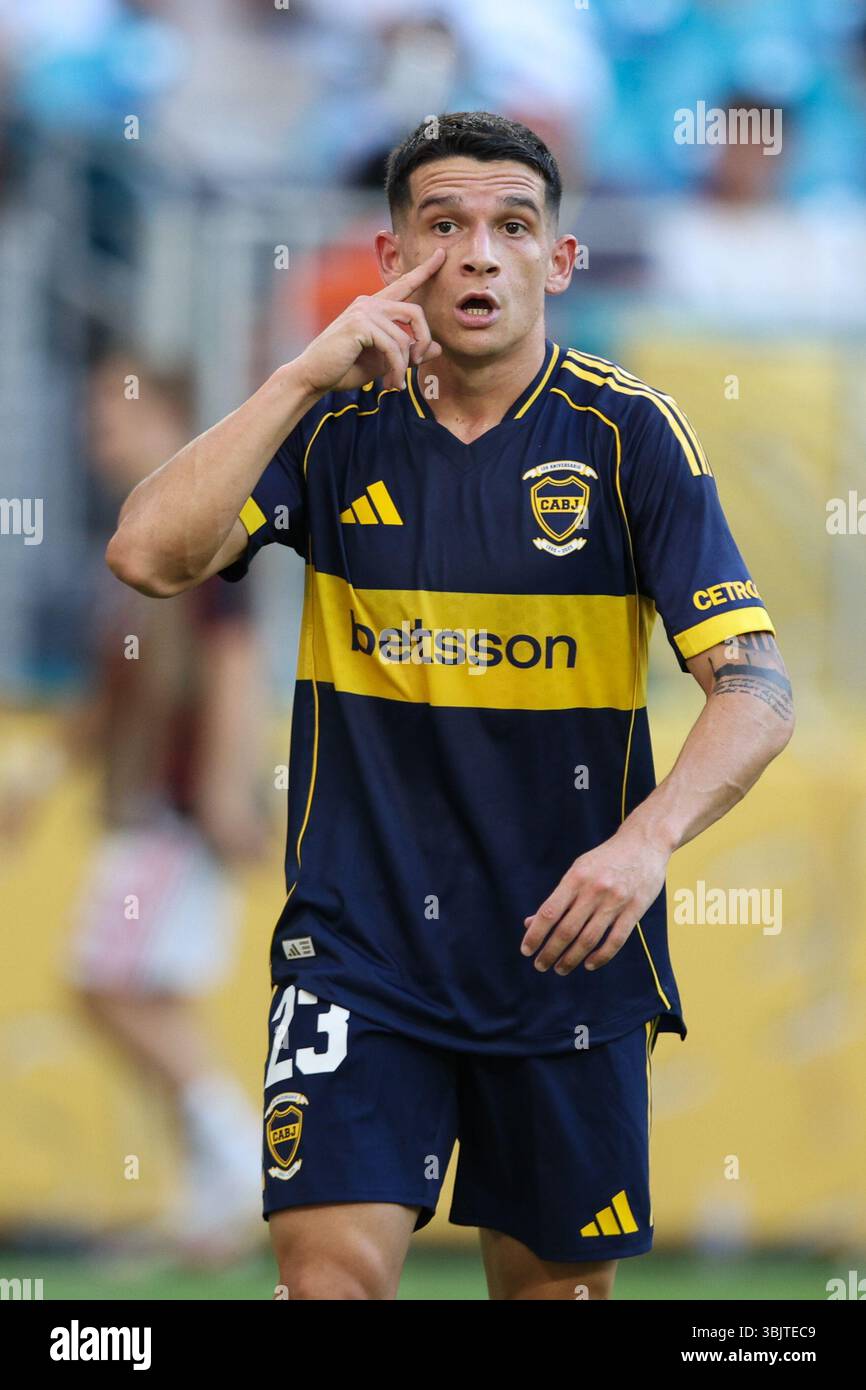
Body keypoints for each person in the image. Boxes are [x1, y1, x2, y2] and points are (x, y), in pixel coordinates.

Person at [105, 113, 795, 1300]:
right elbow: (146, 555)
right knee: (328, 1283)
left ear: (558, 261)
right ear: (393, 260)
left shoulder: (627, 437)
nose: (477, 252)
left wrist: (642, 845)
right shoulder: (331, 425)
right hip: (359, 953)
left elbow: (756, 690)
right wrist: (296, 373)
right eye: (443, 225)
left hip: (564, 959)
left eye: (511, 227)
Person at [6, 352, 271, 1263]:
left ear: (164, 418)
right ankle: (210, 1201)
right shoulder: (135, 538)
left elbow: (235, 656)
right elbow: (105, 694)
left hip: (175, 816)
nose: (97, 435)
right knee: (149, 994)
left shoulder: (201, 523)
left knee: (108, 987)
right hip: (154, 811)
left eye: (113, 416)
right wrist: (41, 776)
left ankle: (243, 1160)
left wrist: (223, 790)